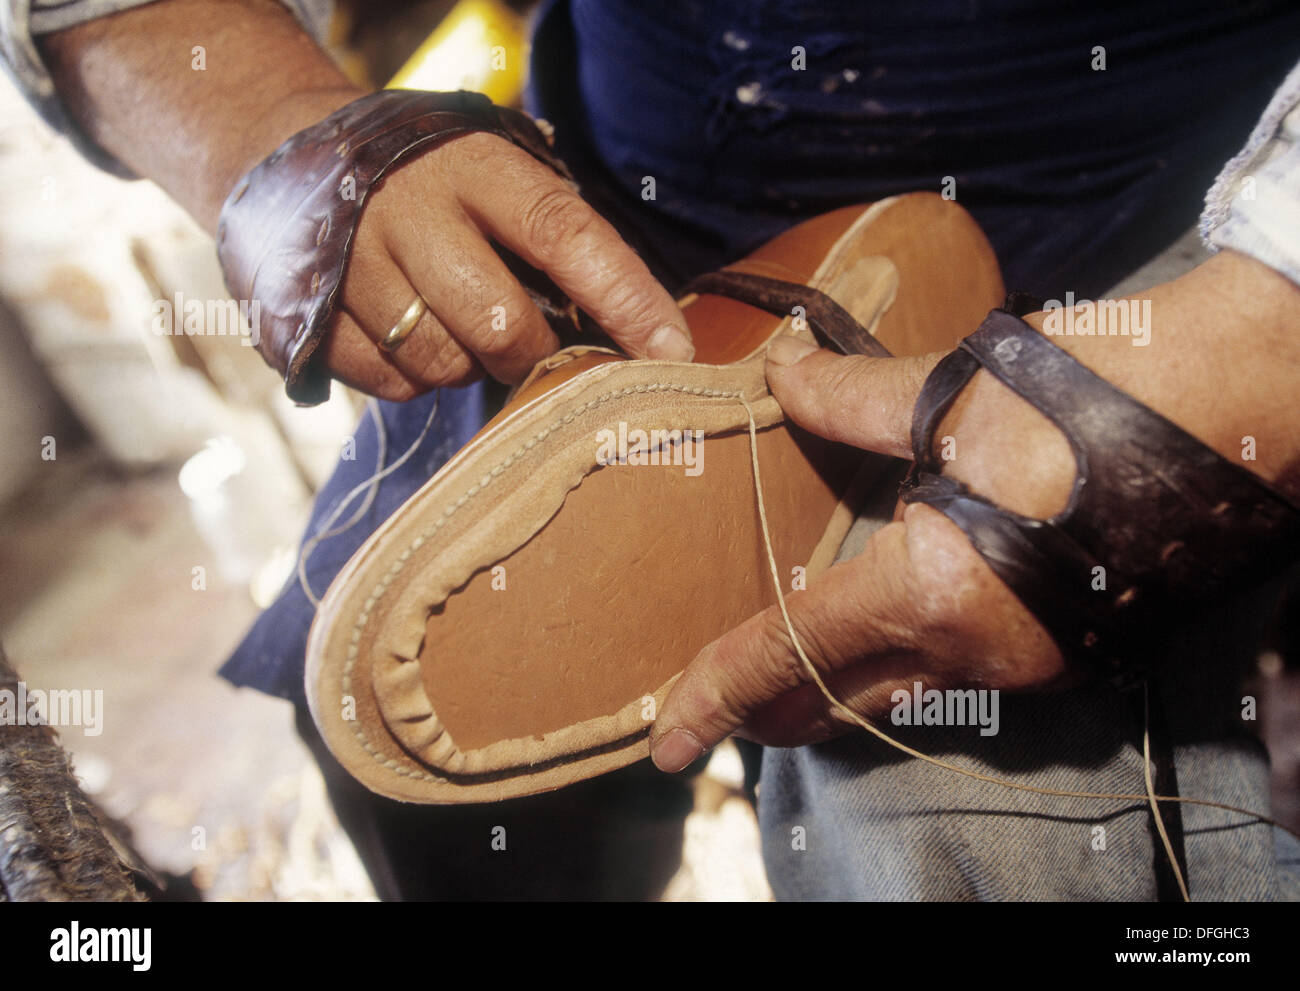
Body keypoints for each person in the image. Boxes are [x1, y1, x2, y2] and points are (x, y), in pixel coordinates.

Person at [4, 0, 1299, 899]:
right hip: (587, 227)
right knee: (420, 773)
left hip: (1148, 247)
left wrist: (1266, 338)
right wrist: (272, 120)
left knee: (950, 846)